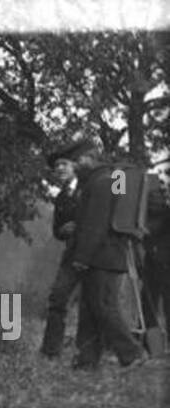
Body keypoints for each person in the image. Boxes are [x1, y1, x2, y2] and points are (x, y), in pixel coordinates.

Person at [70, 140, 149, 370]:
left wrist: (82, 257)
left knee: (104, 306)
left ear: (88, 157)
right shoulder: (103, 180)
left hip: (103, 256)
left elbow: (95, 223)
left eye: (77, 160)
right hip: (104, 255)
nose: (75, 165)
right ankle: (87, 360)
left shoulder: (101, 182)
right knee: (89, 307)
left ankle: (132, 353)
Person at [40, 139, 84, 359]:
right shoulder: (60, 198)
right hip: (71, 253)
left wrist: (80, 225)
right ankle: (50, 351)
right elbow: (56, 231)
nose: (59, 169)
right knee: (57, 298)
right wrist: (64, 230)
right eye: (56, 166)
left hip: (93, 254)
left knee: (97, 302)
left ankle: (93, 350)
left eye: (63, 164)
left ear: (75, 165)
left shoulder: (89, 190)